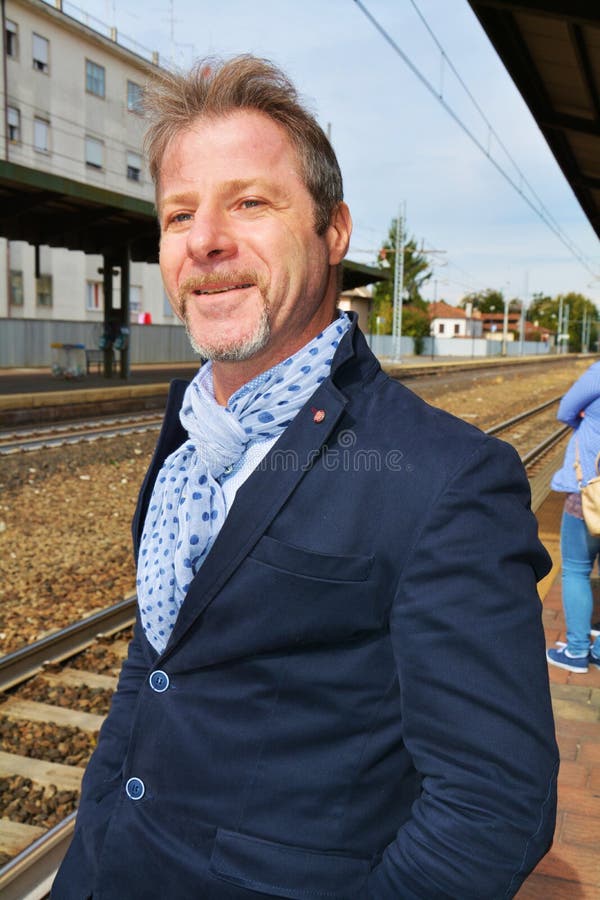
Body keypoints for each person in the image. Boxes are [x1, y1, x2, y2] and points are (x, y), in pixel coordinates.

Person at [52, 56, 558, 900]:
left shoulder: (447, 479)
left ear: (334, 230)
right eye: (180, 214)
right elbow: (155, 663)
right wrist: (90, 851)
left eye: (250, 202)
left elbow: (493, 809)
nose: (206, 239)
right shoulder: (187, 441)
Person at [547, 360, 600, 673]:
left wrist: (586, 416)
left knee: (577, 570)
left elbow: (565, 411)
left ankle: (577, 650)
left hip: (589, 493)